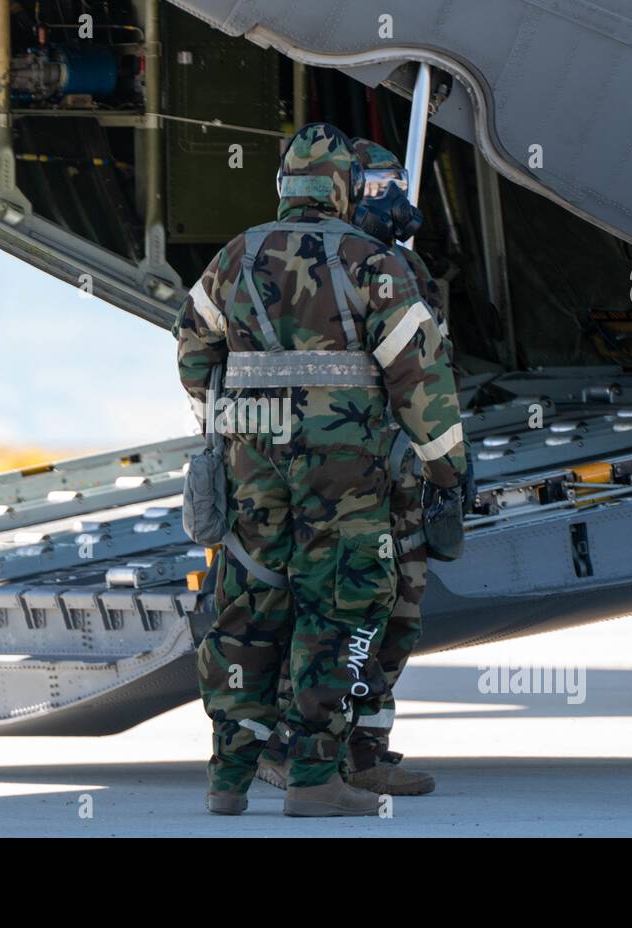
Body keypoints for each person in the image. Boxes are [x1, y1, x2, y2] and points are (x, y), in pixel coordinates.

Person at [175, 123, 467, 816]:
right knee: (340, 606)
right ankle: (314, 778)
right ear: (341, 187)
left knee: (249, 604)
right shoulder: (373, 261)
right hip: (344, 471)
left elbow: (192, 349)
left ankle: (229, 778)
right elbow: (418, 374)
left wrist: (224, 427)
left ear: (283, 184)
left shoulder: (236, 254)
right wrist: (447, 467)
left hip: (253, 465)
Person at [256, 138, 464, 796]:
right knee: (323, 608)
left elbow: (426, 363)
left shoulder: (398, 268)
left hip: (397, 474)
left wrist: (444, 465)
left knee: (396, 611)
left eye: (392, 189)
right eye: (375, 189)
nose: (388, 200)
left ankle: (367, 746)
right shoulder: (307, 264)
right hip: (335, 476)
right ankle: (299, 746)